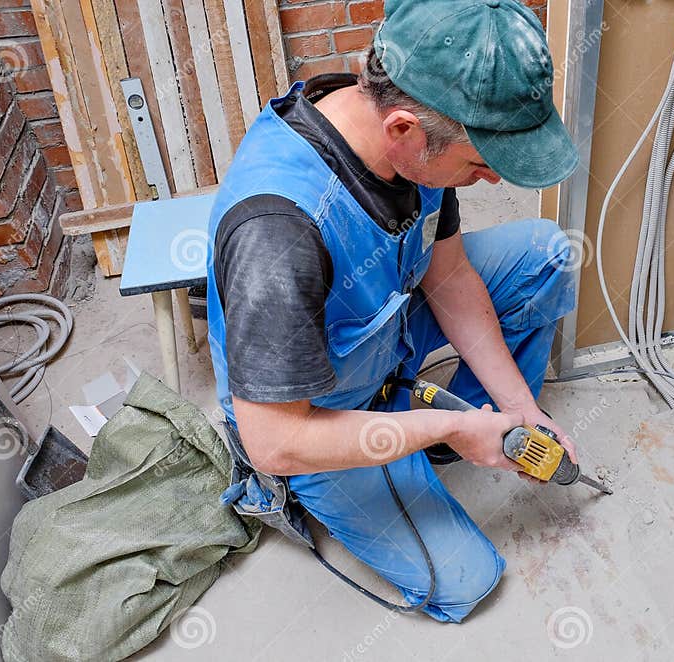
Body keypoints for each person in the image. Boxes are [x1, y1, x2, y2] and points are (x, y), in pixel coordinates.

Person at [206, 0, 580, 623]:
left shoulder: (407, 140)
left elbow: (452, 276)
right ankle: (412, 440)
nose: (488, 182)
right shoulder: (279, 232)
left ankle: (444, 434)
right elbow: (273, 440)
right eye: (479, 165)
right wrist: (450, 426)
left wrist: (520, 410)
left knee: (546, 253)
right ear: (404, 128)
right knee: (464, 581)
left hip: (385, 319)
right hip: (311, 410)